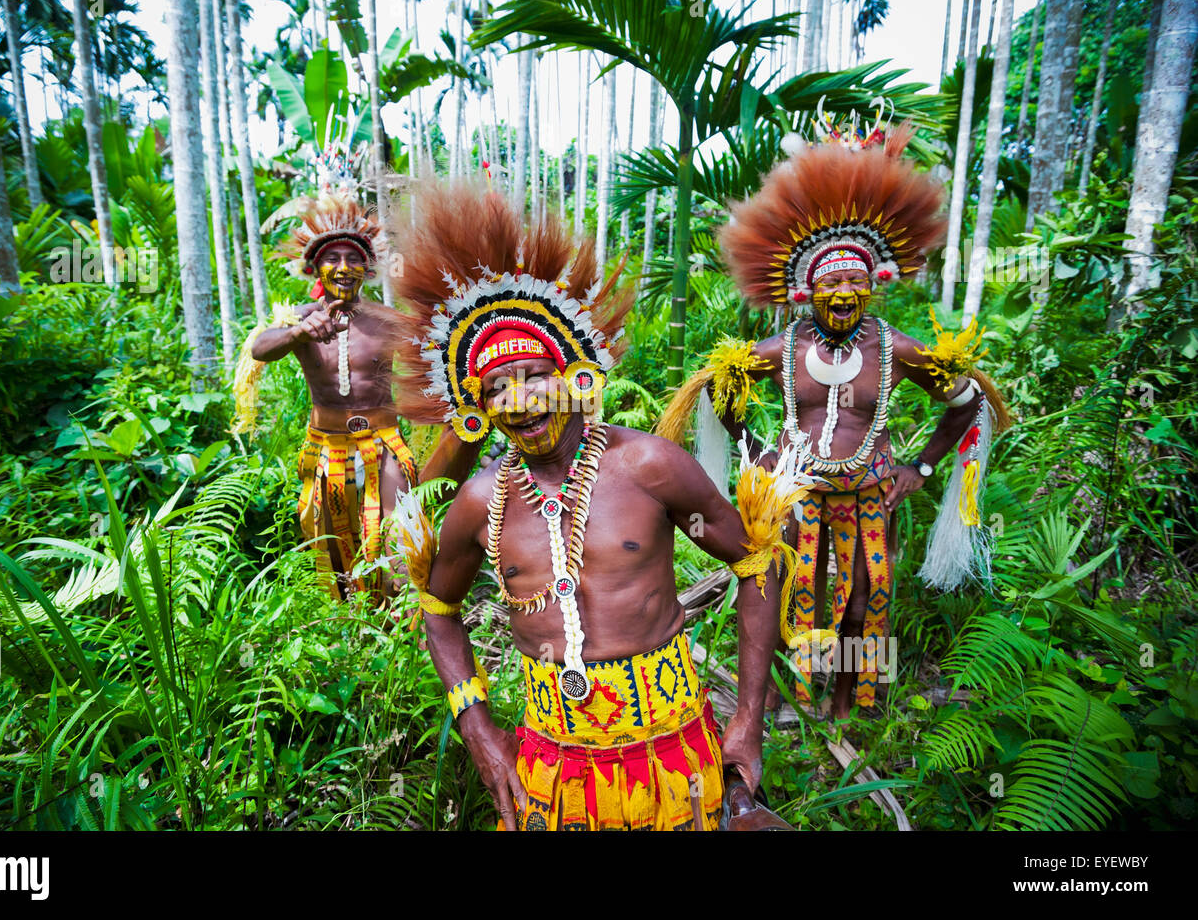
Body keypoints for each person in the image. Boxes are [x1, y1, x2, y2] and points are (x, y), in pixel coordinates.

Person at [388, 185, 796, 831]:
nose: (518, 400)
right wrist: (480, 731)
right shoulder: (477, 502)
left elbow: (756, 563)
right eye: (497, 387)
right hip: (549, 765)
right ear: (479, 407)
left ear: (577, 377)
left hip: (674, 750)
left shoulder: (649, 467)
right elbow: (439, 611)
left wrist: (747, 718)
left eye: (533, 376)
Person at [658, 122, 1009, 720]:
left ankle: (851, 702)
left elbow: (969, 401)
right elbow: (721, 388)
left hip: (871, 495)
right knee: (789, 590)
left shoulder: (897, 348)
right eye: (832, 282)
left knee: (865, 602)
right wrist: (758, 452)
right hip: (798, 497)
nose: (845, 292)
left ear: (874, 285)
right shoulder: (783, 350)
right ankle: (785, 699)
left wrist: (920, 466)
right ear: (806, 290)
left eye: (856, 281)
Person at [233, 188, 417, 601]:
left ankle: (405, 621)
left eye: (354, 259)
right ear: (316, 268)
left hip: (384, 442)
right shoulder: (298, 319)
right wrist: (300, 331)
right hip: (327, 444)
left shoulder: (388, 321)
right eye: (332, 258)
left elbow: (431, 358)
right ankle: (348, 623)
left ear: (368, 269)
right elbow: (259, 349)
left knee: (399, 529)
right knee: (333, 541)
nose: (344, 267)